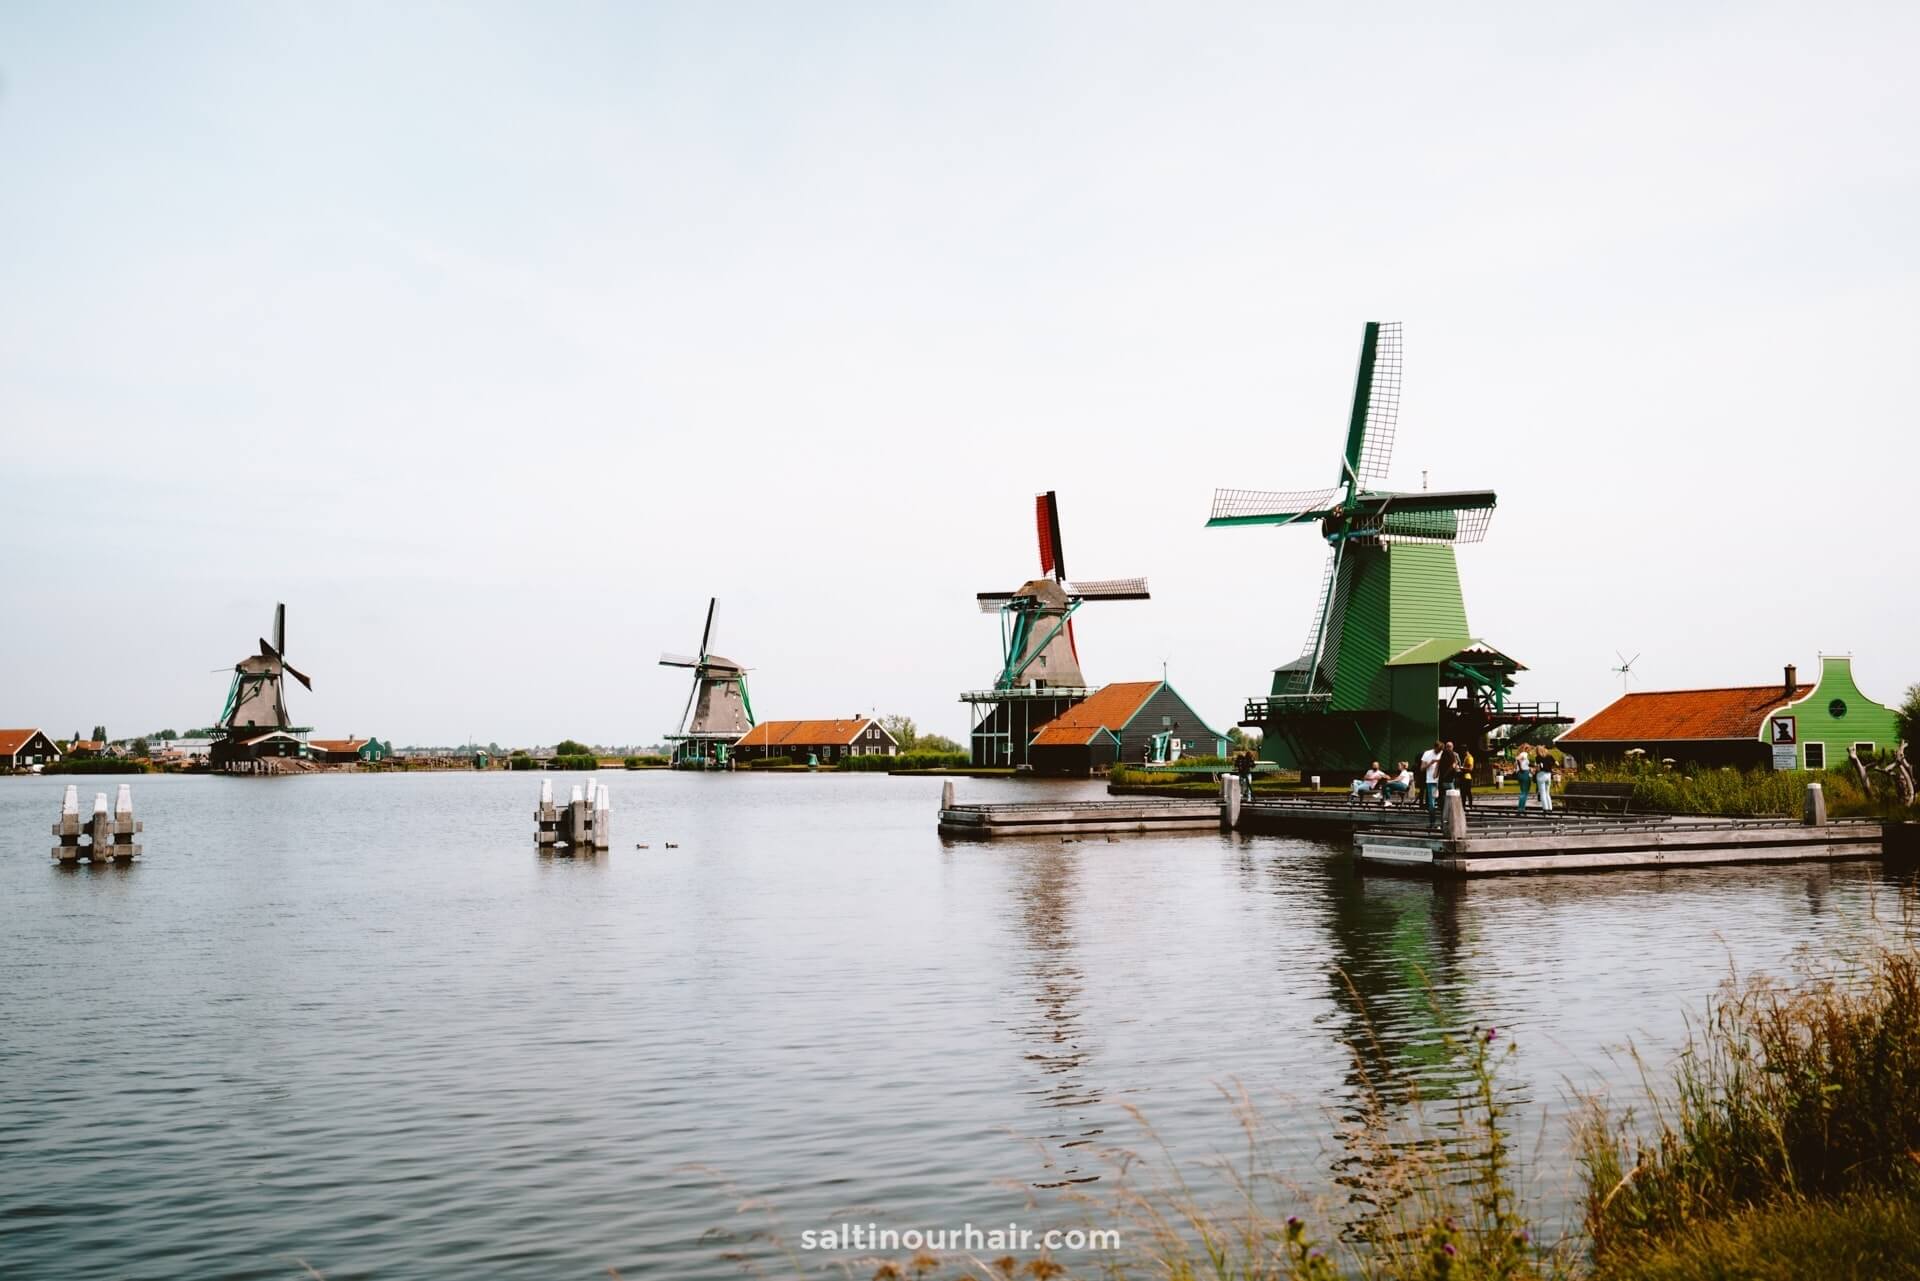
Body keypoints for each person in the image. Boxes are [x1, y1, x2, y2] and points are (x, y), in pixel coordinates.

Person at [1420, 741, 1443, 813]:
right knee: (1432, 801)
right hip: (1431, 780)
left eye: (1440, 750)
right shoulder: (1427, 753)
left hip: (1441, 780)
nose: (1438, 752)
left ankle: (1442, 818)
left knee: (1442, 800)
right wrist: (1430, 763)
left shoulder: (1442, 753)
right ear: (1434, 747)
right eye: (1438, 750)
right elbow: (1422, 768)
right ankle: (1432, 819)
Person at [1535, 748, 1554, 812]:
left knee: (1542, 793)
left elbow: (1538, 767)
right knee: (1547, 793)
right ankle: (1550, 808)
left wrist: (1535, 770)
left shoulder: (1538, 757)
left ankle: (1545, 809)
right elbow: (1557, 763)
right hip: (1548, 775)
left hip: (1541, 775)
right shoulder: (1549, 756)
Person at [1514, 747, 1533, 812]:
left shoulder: (1521, 754)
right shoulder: (1524, 753)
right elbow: (1518, 759)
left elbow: (1517, 762)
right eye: (1530, 750)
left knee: (1523, 791)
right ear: (1527, 749)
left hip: (1520, 773)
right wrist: (1521, 768)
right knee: (1524, 792)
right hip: (1524, 773)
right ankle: (1521, 808)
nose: (1531, 752)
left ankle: (1522, 807)